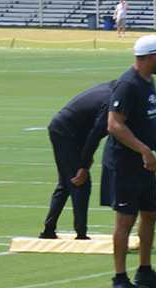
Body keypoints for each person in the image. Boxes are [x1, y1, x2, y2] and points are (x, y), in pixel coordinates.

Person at [107, 35, 156, 288]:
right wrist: (144, 150)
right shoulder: (128, 85)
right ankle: (119, 278)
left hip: (144, 163)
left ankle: (145, 271)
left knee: (150, 213)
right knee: (125, 218)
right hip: (126, 162)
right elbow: (114, 125)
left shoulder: (148, 80)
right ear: (148, 57)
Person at [40, 80, 115, 240]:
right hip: (65, 132)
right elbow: (95, 135)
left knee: (66, 183)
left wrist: (85, 159)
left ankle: (49, 230)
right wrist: (84, 166)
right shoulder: (111, 102)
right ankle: (80, 234)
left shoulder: (112, 89)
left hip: (70, 130)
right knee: (80, 181)